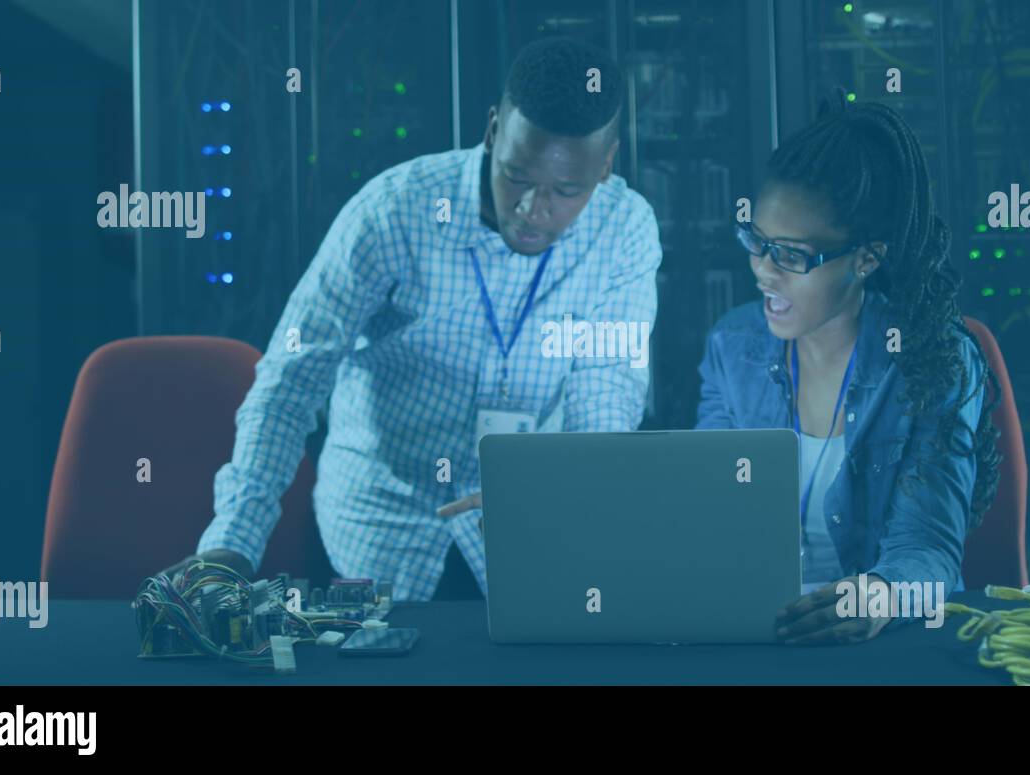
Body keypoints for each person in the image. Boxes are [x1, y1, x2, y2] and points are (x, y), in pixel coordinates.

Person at [161, 37, 662, 601]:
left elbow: (606, 393)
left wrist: (572, 502)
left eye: (566, 190)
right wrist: (232, 542)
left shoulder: (625, 229)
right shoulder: (393, 211)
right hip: (379, 532)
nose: (532, 209)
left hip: (530, 534)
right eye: (517, 176)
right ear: (493, 131)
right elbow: (292, 379)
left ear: (606, 165)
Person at [696, 89, 1004, 644]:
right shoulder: (732, 346)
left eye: (791, 254)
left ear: (866, 258)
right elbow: (708, 509)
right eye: (757, 242)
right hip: (758, 639)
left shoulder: (934, 363)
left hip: (882, 647)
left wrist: (881, 595)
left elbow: (928, 549)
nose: (764, 272)